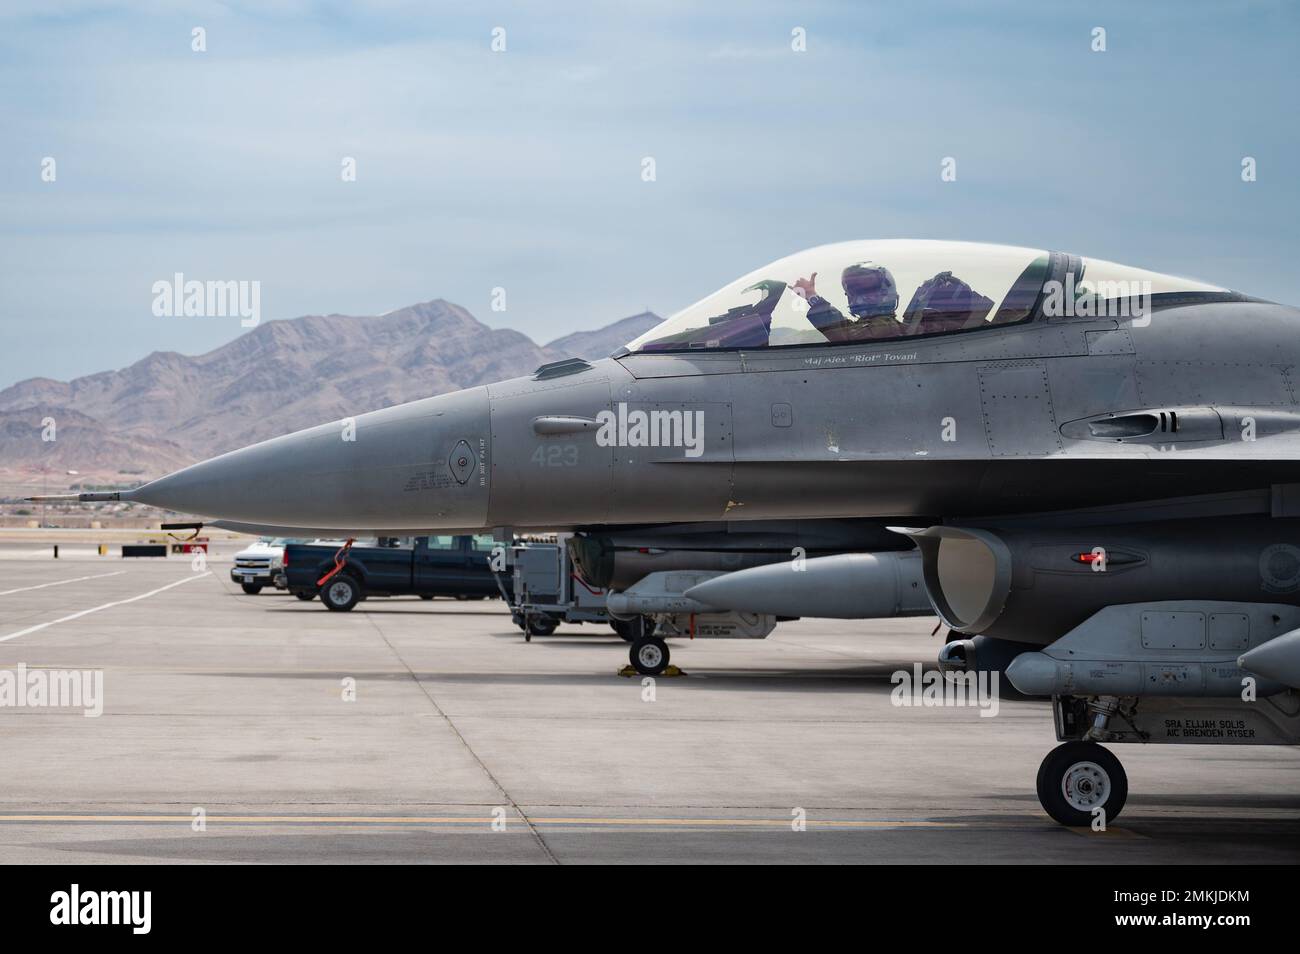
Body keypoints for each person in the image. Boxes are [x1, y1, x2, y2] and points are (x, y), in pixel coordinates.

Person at [790, 263, 901, 342]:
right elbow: (843, 328)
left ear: (885, 291)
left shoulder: (886, 326)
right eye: (855, 292)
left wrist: (812, 297)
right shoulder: (868, 325)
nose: (859, 297)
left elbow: (847, 337)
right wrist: (811, 296)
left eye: (867, 290)